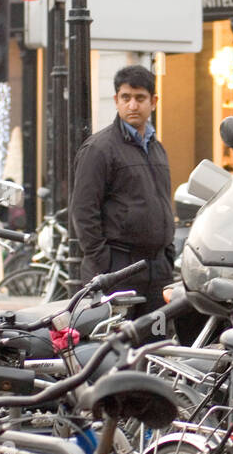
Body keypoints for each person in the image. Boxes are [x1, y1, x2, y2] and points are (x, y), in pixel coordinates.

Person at [70, 64, 174, 317]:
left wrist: (168, 254)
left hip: (156, 270)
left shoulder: (157, 149)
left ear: (154, 101)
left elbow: (162, 201)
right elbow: (83, 211)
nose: (133, 105)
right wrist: (103, 261)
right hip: (118, 270)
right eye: (126, 98)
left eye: (140, 98)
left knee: (156, 348)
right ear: (116, 100)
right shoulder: (99, 148)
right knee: (117, 352)